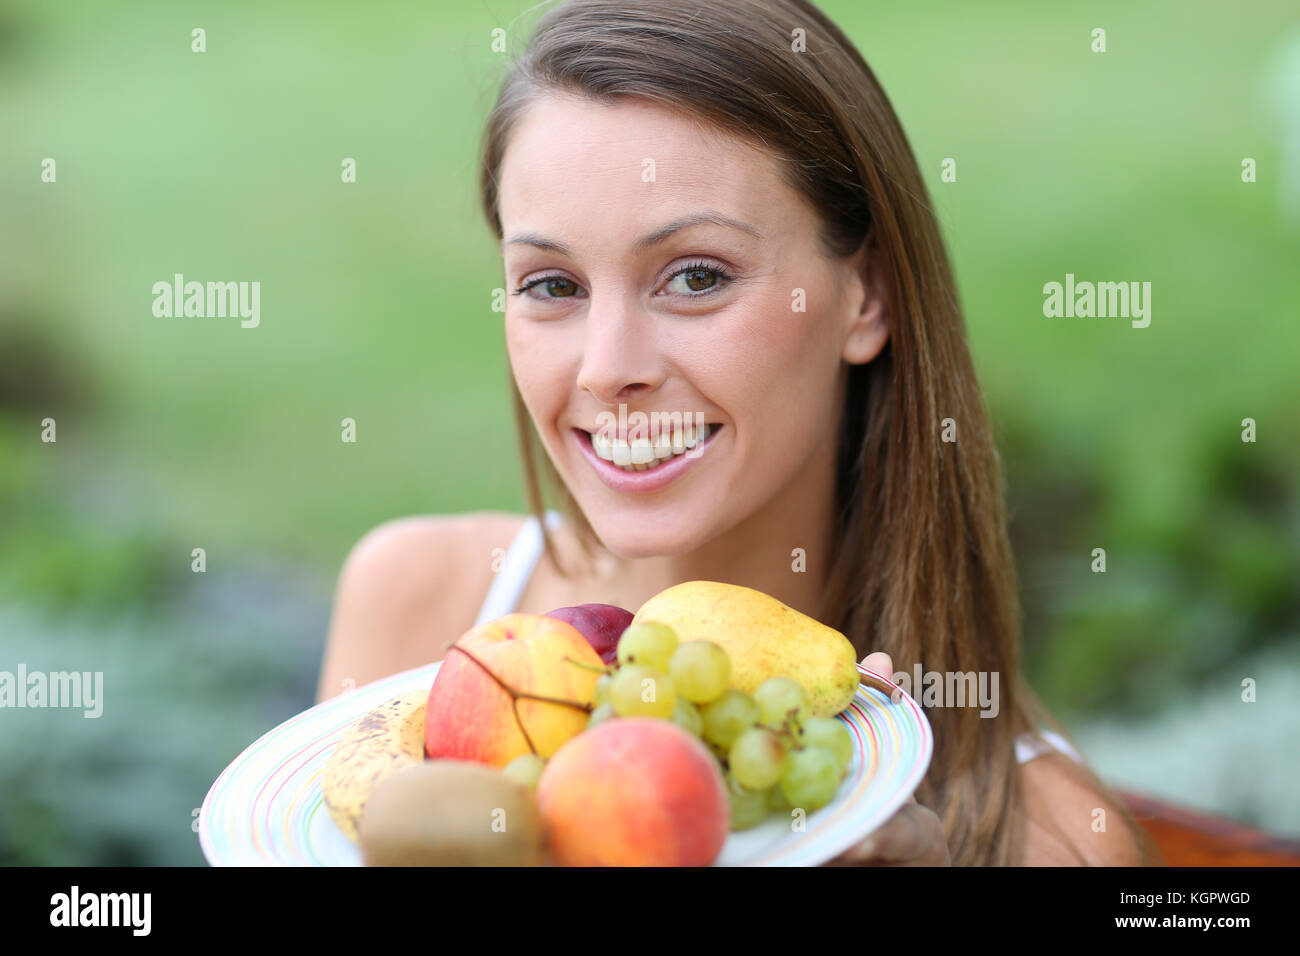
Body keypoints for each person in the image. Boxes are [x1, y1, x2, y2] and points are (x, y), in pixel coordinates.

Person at [317, 0, 1160, 866]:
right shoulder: (416, 607)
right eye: (553, 285)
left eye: (695, 276)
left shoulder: (1050, 843)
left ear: (865, 297)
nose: (608, 369)